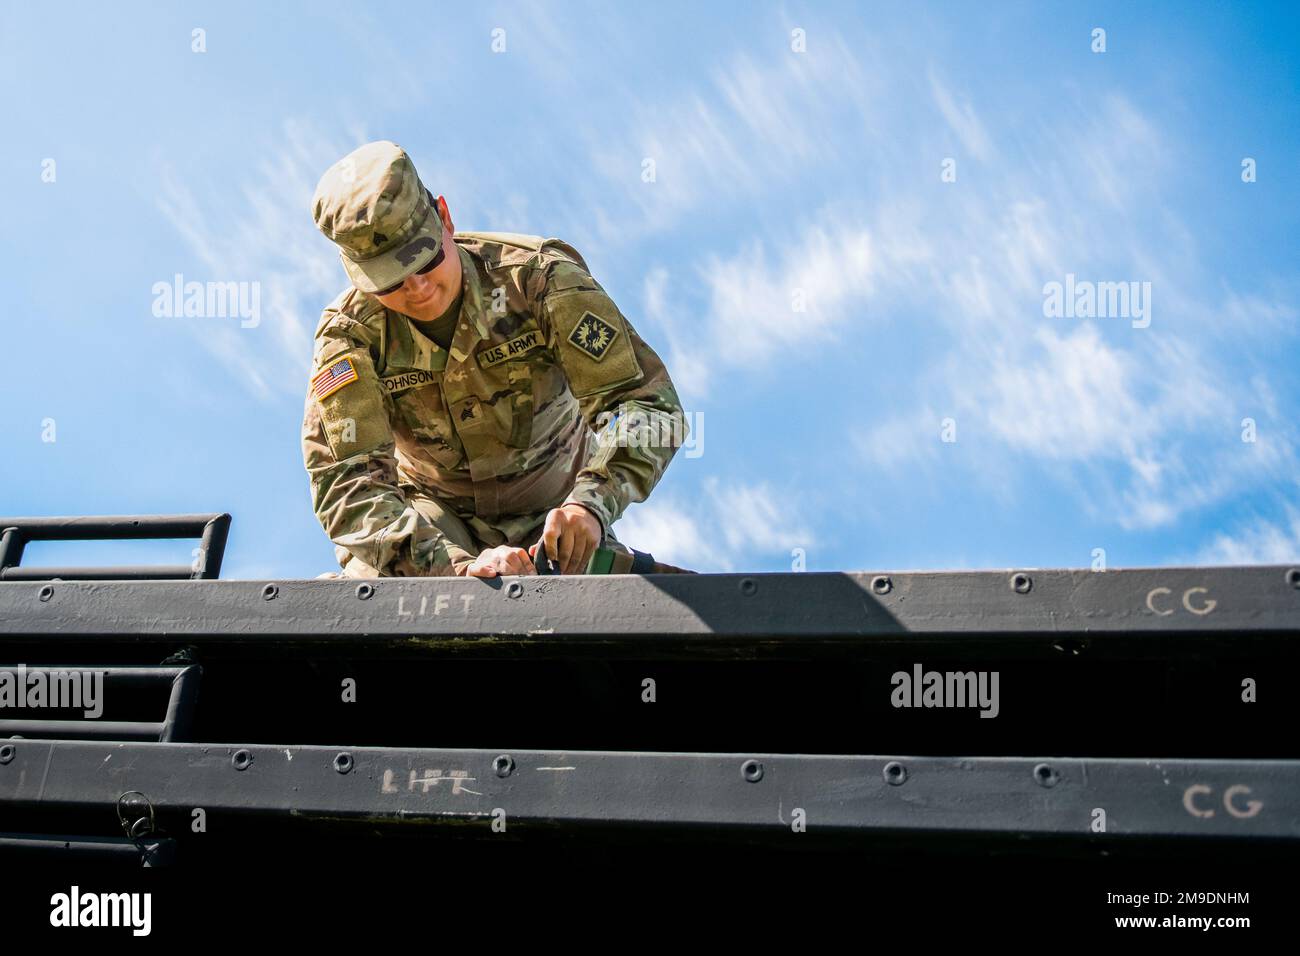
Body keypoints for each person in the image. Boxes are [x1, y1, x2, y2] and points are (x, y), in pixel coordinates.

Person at [301, 141, 687, 578]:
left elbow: (646, 406)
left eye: (425, 260)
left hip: (558, 524)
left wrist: (592, 503)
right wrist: (457, 573)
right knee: (365, 614)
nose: (417, 288)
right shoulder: (349, 336)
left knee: (653, 625)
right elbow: (348, 483)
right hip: (427, 528)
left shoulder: (538, 281)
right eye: (390, 282)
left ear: (444, 217)